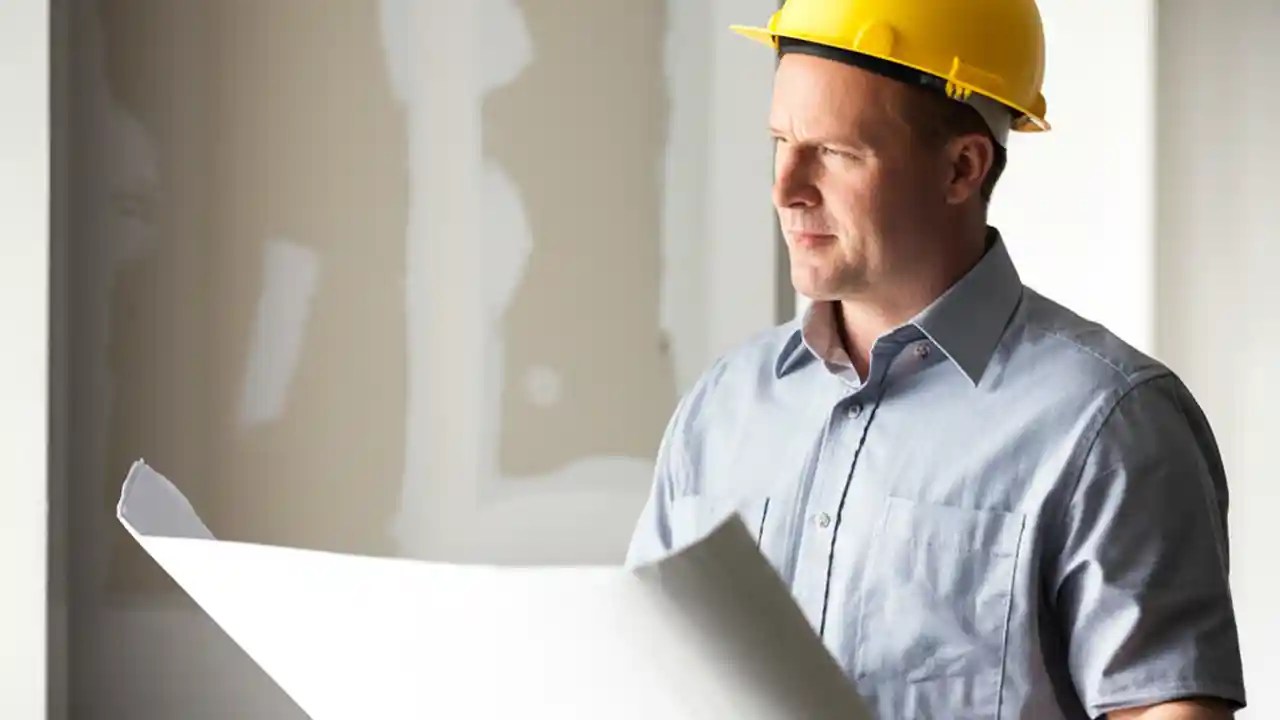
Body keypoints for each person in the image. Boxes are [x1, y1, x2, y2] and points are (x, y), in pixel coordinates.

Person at [625, 0, 1247, 717]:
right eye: (781, 141)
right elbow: (640, 678)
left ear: (961, 168)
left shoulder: (1108, 424)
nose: (786, 188)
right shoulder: (722, 407)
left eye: (835, 152)